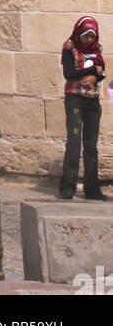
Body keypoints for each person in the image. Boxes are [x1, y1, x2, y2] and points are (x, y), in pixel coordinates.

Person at [59, 15, 107, 201]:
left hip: (92, 101)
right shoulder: (69, 47)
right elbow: (69, 73)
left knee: (91, 146)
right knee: (73, 143)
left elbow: (101, 71)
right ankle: (67, 186)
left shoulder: (96, 50)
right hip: (75, 100)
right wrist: (91, 71)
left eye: (91, 37)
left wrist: (96, 77)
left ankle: (92, 189)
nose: (88, 40)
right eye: (86, 36)